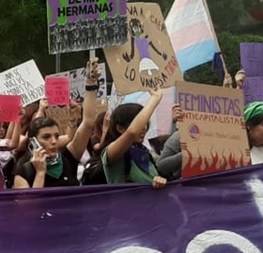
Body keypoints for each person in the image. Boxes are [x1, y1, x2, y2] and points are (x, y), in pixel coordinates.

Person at [14, 61, 101, 189]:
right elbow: (30, 202)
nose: (54, 141)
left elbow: (88, 122)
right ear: (33, 142)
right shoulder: (24, 172)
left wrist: (91, 83)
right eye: (46, 137)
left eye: (56, 136)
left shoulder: (68, 158)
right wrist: (40, 173)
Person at [100, 89, 167, 188]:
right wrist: (155, 99)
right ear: (120, 128)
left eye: (146, 123)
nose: (144, 128)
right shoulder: (112, 153)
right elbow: (132, 132)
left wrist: (159, 182)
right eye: (139, 123)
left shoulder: (145, 153)